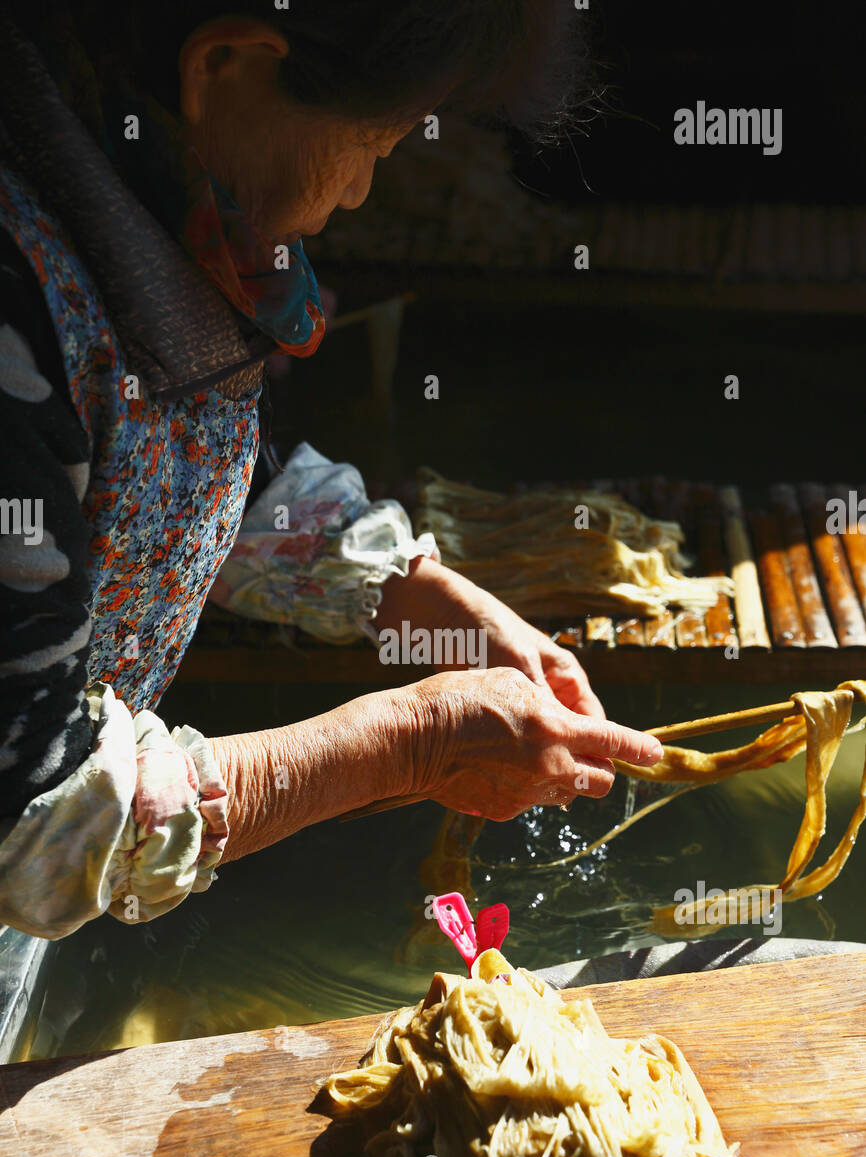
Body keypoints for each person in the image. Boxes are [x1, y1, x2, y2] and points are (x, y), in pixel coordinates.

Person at [0, 2, 662, 941]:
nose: (358, 193)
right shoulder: (15, 308)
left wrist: (420, 594)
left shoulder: (127, 206)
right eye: (371, 145)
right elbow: (32, 814)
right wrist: (415, 742)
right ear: (227, 64)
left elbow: (169, 489)